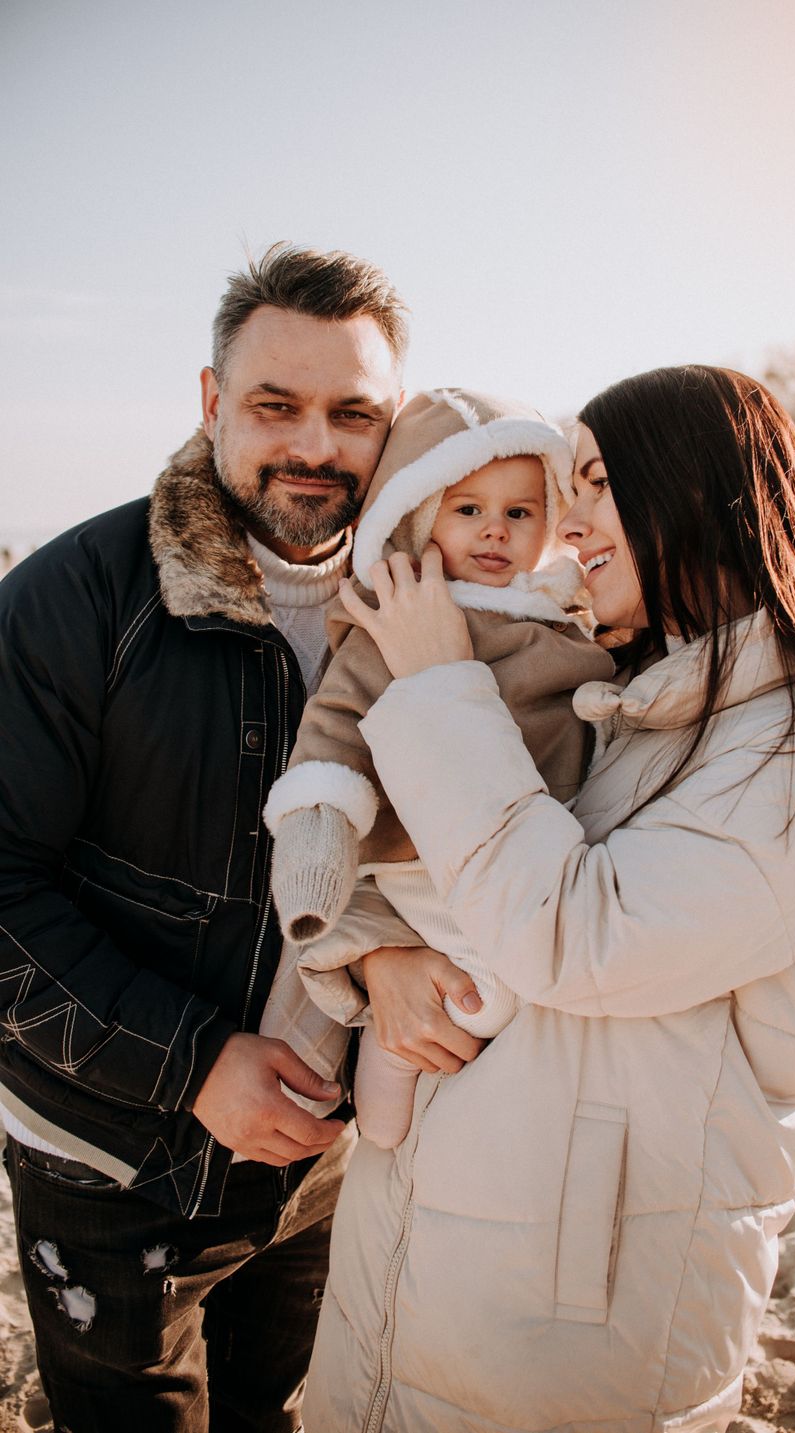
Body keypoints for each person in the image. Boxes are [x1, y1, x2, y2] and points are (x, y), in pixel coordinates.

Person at [296, 365, 795, 1433]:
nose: (566, 520)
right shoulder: (633, 698)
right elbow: (460, 865)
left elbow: (576, 937)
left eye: (594, 483)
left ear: (693, 489)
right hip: (426, 1255)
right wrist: (377, 955)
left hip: (570, 1322)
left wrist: (440, 680)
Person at [0, 244, 483, 1433]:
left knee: (270, 1410)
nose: (314, 445)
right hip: (108, 1156)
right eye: (276, 405)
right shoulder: (74, 598)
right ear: (213, 400)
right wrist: (196, 1064)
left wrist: (384, 948)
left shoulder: (437, 609)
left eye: (352, 413)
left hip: (324, 1157)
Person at [260, 388, 614, 1149]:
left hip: (531, 842)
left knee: (517, 990)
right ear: (418, 517)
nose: (496, 529)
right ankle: (385, 1079)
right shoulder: (398, 614)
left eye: (520, 512)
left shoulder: (560, 612)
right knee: (487, 993)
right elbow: (334, 727)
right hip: (419, 852)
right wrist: (317, 833)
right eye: (468, 510)